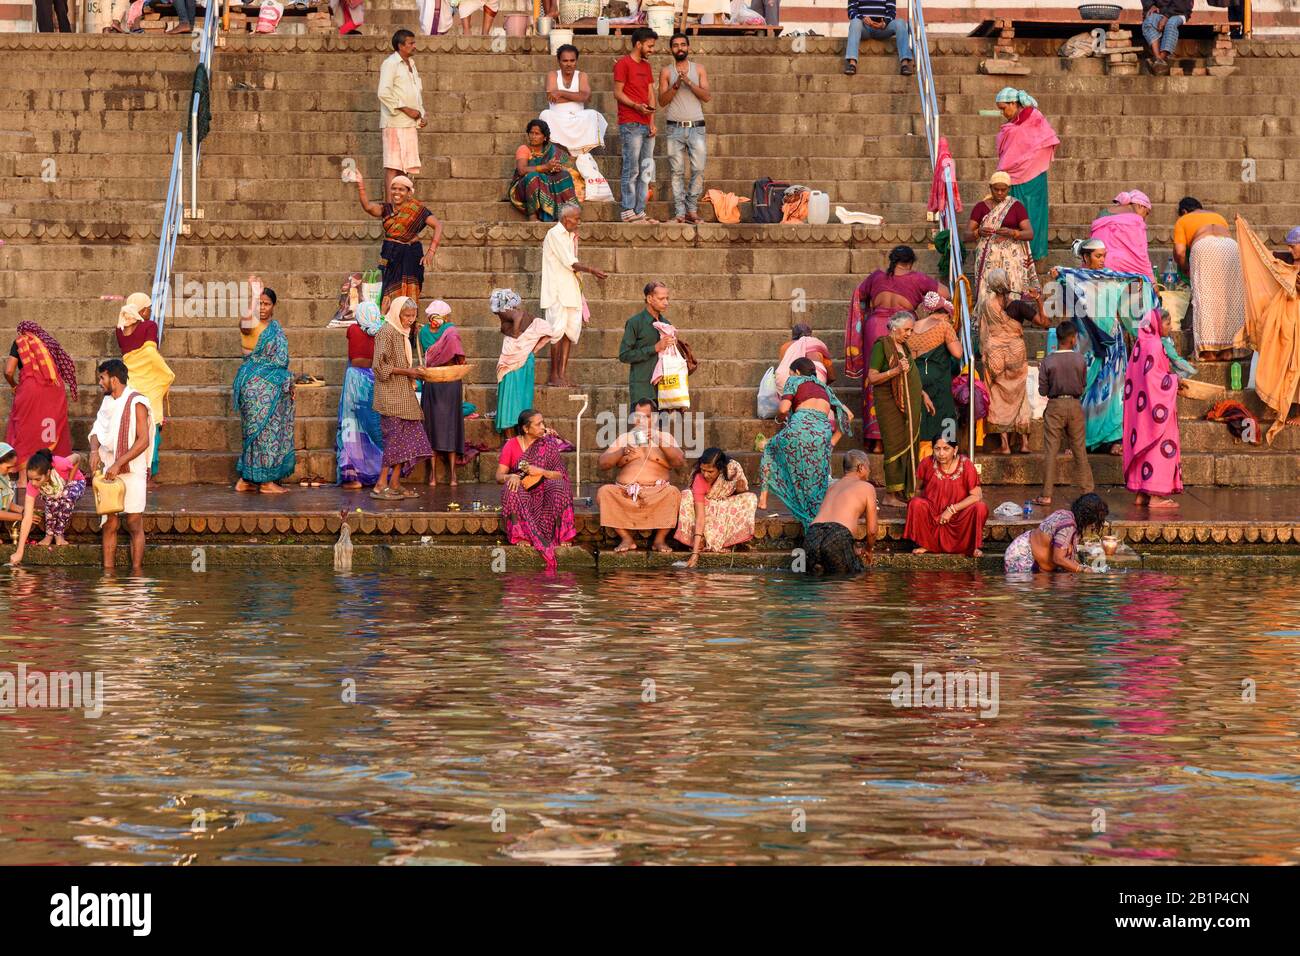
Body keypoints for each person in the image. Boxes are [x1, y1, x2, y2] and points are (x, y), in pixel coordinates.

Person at [1051, 241, 1157, 453]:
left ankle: (1113, 440)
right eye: (1098, 256)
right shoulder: (1075, 279)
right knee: (1085, 388)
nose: (1102, 260)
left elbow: (1129, 294)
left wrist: (1141, 283)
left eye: (1103, 255)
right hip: (1085, 340)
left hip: (1112, 341)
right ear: (1086, 258)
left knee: (1114, 389)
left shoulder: (1110, 277)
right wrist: (1060, 277)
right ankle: (1079, 441)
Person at [845, 245, 946, 450]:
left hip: (874, 328)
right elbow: (945, 293)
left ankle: (876, 442)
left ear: (892, 260)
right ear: (910, 262)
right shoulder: (918, 278)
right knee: (900, 378)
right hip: (901, 329)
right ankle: (895, 438)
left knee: (875, 379)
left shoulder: (876, 276)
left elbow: (859, 294)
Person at [759, 357, 853, 525]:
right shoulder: (824, 388)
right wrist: (832, 441)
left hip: (800, 429)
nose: (790, 375)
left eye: (790, 373)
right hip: (822, 435)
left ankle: (764, 498)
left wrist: (781, 418)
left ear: (797, 372)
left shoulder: (794, 380)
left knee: (770, 449)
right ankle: (816, 517)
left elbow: (783, 408)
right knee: (816, 477)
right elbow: (849, 416)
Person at [1237, 215, 1300, 440]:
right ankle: (1283, 403)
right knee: (1285, 360)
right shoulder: (1291, 265)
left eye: (1294, 247)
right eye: (1290, 248)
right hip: (1287, 320)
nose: (1292, 251)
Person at [88, 359, 151, 573]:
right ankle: (108, 575)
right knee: (110, 523)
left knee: (133, 522)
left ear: (113, 379)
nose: (99, 382)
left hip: (131, 471)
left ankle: (136, 574)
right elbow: (97, 428)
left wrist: (118, 464)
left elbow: (143, 440)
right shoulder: (107, 402)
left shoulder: (137, 401)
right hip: (109, 470)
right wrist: (94, 450)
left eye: (102, 378)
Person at [596, 398, 685, 552]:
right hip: (626, 493)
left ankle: (659, 540)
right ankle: (626, 539)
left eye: (647, 416)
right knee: (604, 492)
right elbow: (603, 464)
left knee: (674, 493)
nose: (642, 421)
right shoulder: (624, 439)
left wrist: (657, 439)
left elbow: (679, 462)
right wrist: (621, 451)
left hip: (656, 494)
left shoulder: (665, 437)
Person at [497, 408, 577, 572]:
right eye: (538, 424)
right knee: (510, 489)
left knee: (560, 486)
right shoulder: (511, 445)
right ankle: (521, 536)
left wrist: (541, 471)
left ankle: (562, 534)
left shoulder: (548, 443)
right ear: (526, 429)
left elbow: (559, 474)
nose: (543, 427)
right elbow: (499, 475)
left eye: (543, 423)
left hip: (546, 488)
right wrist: (510, 477)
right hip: (523, 490)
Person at [233, 285, 295, 493]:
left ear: (274, 306)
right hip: (253, 387)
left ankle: (246, 480)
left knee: (258, 434)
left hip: (272, 387)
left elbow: (281, 361)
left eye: (266, 304)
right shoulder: (249, 325)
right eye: (259, 304)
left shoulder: (276, 328)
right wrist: (253, 295)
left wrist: (287, 381)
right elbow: (245, 322)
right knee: (261, 434)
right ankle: (267, 483)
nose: (262, 308)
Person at [540, 203, 608, 388]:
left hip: (572, 291)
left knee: (569, 334)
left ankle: (562, 375)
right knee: (556, 334)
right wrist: (592, 270)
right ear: (565, 219)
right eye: (576, 218)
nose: (578, 222)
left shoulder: (571, 236)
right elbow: (570, 262)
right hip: (557, 293)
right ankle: (554, 376)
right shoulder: (554, 234)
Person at [371, 296, 432, 499]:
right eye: (406, 316)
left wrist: (414, 372)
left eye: (413, 316)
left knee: (408, 439)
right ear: (397, 314)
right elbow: (379, 367)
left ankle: (394, 483)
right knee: (395, 440)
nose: (410, 320)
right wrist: (409, 372)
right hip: (390, 395)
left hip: (404, 393)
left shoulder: (403, 332)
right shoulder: (386, 332)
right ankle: (381, 484)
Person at [354, 172, 442, 312]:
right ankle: (388, 328)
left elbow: (438, 225)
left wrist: (431, 252)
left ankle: (408, 329)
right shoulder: (386, 209)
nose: (396, 192)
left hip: (411, 254)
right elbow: (368, 207)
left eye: (401, 189)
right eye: (394, 188)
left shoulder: (418, 210)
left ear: (409, 193)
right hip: (390, 254)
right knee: (387, 291)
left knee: (409, 294)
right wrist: (360, 185)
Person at [1124, 308, 1185, 509]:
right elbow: (1155, 379)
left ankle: (1142, 493)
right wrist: (1175, 380)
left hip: (1141, 411)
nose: (1170, 327)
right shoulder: (1156, 345)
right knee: (1158, 448)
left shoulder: (1140, 344)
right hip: (1157, 409)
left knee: (1144, 445)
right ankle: (1156, 496)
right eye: (1167, 324)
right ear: (1157, 324)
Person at [868, 312, 930, 505]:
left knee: (909, 445)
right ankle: (890, 495)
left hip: (911, 403)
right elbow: (872, 377)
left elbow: (911, 375)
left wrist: (923, 394)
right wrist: (895, 371)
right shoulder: (881, 346)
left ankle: (905, 491)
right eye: (906, 330)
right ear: (894, 328)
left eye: (911, 330)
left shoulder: (903, 346)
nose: (909, 334)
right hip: (889, 404)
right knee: (894, 445)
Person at [994, 88, 1059, 273]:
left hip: (1033, 179)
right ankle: (1014, 259)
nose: (1002, 113)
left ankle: (1035, 261)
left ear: (1014, 104)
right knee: (1012, 218)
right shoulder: (1014, 124)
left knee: (1033, 218)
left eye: (1003, 108)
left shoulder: (1034, 119)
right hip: (1013, 179)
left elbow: (1043, 143)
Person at [1174, 196, 1246, 361]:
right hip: (1231, 247)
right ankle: (1227, 350)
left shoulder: (1183, 220)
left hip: (1204, 247)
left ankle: (1208, 351)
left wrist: (1185, 267)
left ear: (1184, 211)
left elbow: (1179, 252)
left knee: (1205, 297)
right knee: (1229, 298)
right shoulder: (1218, 217)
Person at [1034, 320, 1094, 507]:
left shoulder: (1048, 361)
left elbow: (1042, 391)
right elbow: (1083, 385)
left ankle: (1046, 495)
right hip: (1075, 405)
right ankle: (1088, 492)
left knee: (1051, 451)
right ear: (1072, 339)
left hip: (1055, 406)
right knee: (1079, 450)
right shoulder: (1080, 359)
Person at [115, 293, 172, 477]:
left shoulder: (119, 328)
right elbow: (150, 354)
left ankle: (132, 468)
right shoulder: (150, 326)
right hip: (149, 382)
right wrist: (167, 373)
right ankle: (148, 472)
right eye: (148, 308)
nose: (151, 311)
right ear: (141, 310)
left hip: (130, 383)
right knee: (151, 426)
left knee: (133, 427)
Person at [4, 321, 75, 467]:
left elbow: (9, 371)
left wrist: (13, 386)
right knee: (53, 428)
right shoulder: (49, 342)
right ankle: (55, 469)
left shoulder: (20, 341)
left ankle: (24, 477)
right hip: (55, 389)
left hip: (30, 389)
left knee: (26, 429)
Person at [904, 435, 988, 557]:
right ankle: (926, 544)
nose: (941, 453)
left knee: (980, 507)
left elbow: (976, 496)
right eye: (937, 449)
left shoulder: (967, 465)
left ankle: (970, 546)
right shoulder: (926, 463)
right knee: (915, 503)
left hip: (958, 515)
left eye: (946, 448)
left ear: (955, 450)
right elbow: (918, 489)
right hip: (934, 516)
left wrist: (951, 510)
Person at [976, 268, 1031, 455]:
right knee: (1020, 393)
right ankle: (1024, 443)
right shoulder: (1016, 304)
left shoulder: (986, 304)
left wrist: (983, 352)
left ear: (991, 285)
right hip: (1017, 350)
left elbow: (983, 332)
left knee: (997, 395)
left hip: (996, 352)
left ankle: (1005, 445)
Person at [659, 32, 711, 225]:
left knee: (698, 169)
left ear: (688, 47)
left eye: (683, 45)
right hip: (674, 129)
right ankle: (680, 213)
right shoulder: (666, 71)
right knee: (677, 172)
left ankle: (692, 208)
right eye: (675, 45)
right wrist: (676, 85)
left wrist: (688, 82)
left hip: (696, 127)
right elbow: (662, 101)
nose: (679, 48)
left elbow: (706, 96)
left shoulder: (699, 69)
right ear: (671, 49)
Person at [674, 447, 757, 567]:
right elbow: (700, 517)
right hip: (705, 509)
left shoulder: (732, 470)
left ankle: (726, 541)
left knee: (750, 498)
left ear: (721, 469)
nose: (705, 474)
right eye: (703, 470)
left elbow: (740, 492)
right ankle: (702, 540)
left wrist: (740, 489)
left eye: (710, 471)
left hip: (726, 505)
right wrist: (695, 553)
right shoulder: (699, 478)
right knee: (686, 495)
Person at [803, 450, 878, 574]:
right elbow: (872, 531)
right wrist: (868, 549)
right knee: (853, 581)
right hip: (837, 537)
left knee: (818, 586)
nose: (869, 471)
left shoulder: (832, 487)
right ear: (861, 467)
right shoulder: (867, 487)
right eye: (868, 467)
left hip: (812, 536)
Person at [337, 301, 386, 490]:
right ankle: (377, 474)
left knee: (352, 428)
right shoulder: (383, 330)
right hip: (376, 380)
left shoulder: (354, 330)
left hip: (356, 383)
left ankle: (353, 477)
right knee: (374, 427)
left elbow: (356, 359)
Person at [493, 289, 554, 438]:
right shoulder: (515, 315)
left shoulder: (506, 311)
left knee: (510, 399)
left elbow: (518, 316)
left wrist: (515, 334)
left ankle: (511, 440)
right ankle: (517, 439)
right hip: (523, 358)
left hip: (517, 361)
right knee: (520, 398)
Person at [967, 170, 1037, 298]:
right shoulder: (980, 207)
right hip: (988, 259)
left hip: (1011, 259)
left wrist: (1013, 233)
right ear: (990, 188)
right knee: (986, 295)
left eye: (1003, 190)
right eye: (996, 189)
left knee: (1011, 294)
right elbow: (966, 235)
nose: (999, 193)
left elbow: (1029, 233)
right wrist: (979, 232)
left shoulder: (1016, 206)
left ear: (1009, 189)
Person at [8, 449, 85, 565]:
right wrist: (19, 551)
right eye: (30, 479)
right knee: (52, 500)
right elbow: (27, 518)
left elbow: (77, 457)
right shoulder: (32, 485)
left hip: (76, 483)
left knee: (64, 496)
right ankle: (49, 535)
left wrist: (69, 480)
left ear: (48, 473)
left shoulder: (61, 464)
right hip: (52, 491)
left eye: (37, 479)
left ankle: (59, 534)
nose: (33, 483)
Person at [614, 28, 659, 224]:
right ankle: (627, 210)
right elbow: (617, 92)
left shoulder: (647, 67)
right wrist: (635, 106)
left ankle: (639, 211)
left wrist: (652, 122)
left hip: (645, 124)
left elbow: (650, 94)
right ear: (638, 44)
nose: (652, 49)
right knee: (632, 169)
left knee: (646, 169)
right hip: (630, 122)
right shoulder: (623, 64)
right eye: (649, 46)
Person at [419, 300, 465, 487]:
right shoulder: (451, 331)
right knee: (451, 425)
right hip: (450, 380)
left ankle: (432, 477)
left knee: (432, 425)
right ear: (445, 316)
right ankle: (453, 477)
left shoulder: (423, 332)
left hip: (432, 380)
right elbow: (459, 357)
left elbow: (427, 355)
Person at [1003, 492, 1109, 575]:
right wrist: (1083, 570)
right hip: (1021, 557)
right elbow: (1058, 558)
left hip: (1026, 553)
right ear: (1089, 517)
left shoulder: (1065, 515)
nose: (1094, 525)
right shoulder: (1068, 525)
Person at [909, 292, 963, 453]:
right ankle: (947, 451)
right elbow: (958, 353)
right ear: (945, 314)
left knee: (922, 417)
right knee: (945, 415)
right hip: (937, 379)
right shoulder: (944, 326)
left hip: (916, 378)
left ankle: (922, 456)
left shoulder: (914, 325)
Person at [378, 30, 427, 192]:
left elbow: (415, 93)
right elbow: (383, 92)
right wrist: (406, 110)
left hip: (410, 124)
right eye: (410, 43)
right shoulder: (390, 64)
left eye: (414, 42)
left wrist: (421, 115)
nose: (414, 46)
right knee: (393, 166)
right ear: (400, 46)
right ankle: (390, 211)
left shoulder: (412, 65)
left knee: (405, 168)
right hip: (394, 122)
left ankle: (401, 211)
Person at [539, 45, 609, 155]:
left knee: (593, 114)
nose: (569, 64)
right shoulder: (553, 75)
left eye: (572, 60)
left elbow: (585, 97)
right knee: (545, 114)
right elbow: (552, 98)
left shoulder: (582, 75)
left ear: (576, 61)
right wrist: (577, 97)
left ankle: (581, 151)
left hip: (578, 117)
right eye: (565, 61)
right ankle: (559, 150)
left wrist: (561, 92)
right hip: (557, 117)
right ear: (559, 61)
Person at [509, 119, 578, 223]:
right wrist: (545, 167)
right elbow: (522, 170)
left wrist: (555, 168)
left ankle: (571, 214)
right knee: (533, 176)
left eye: (537, 134)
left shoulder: (551, 150)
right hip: (523, 187)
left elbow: (565, 165)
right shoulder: (523, 149)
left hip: (545, 181)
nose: (533, 136)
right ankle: (532, 216)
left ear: (545, 137)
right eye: (531, 133)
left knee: (565, 175)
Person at [620, 281, 674, 409]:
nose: (666, 302)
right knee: (640, 429)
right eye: (661, 298)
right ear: (649, 299)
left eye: (667, 298)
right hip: (642, 390)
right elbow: (624, 355)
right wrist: (654, 348)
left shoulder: (666, 324)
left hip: (663, 391)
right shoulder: (635, 323)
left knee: (660, 429)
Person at [1090, 190, 1155, 282]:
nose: (1145, 218)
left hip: (1096, 269)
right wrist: (1153, 282)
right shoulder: (1136, 221)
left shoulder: (1102, 213)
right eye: (1146, 213)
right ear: (1140, 205)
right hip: (1122, 275)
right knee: (1135, 290)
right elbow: (1141, 256)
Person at [843, 0, 914, 77]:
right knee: (855, 22)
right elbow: (851, 10)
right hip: (864, 27)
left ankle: (905, 64)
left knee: (900, 22)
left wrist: (884, 23)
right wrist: (863, 19)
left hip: (883, 28)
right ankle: (852, 64)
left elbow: (891, 11)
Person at [776, 323, 835, 391]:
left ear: (793, 335)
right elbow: (832, 377)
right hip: (816, 385)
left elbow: (781, 369)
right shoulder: (817, 344)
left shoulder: (785, 347)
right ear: (810, 334)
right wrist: (822, 386)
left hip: (785, 383)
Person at [1141, 0, 1193, 72]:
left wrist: (1166, 17)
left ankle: (1160, 59)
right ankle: (1159, 59)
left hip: (1179, 11)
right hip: (1160, 10)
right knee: (1149, 22)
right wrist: (1150, 5)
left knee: (1171, 24)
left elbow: (1182, 4)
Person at [0, 444, 25, 531]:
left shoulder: (3, 478)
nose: (11, 471)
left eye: (13, 467)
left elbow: (4, 501)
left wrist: (23, 511)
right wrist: (21, 517)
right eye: (8, 467)